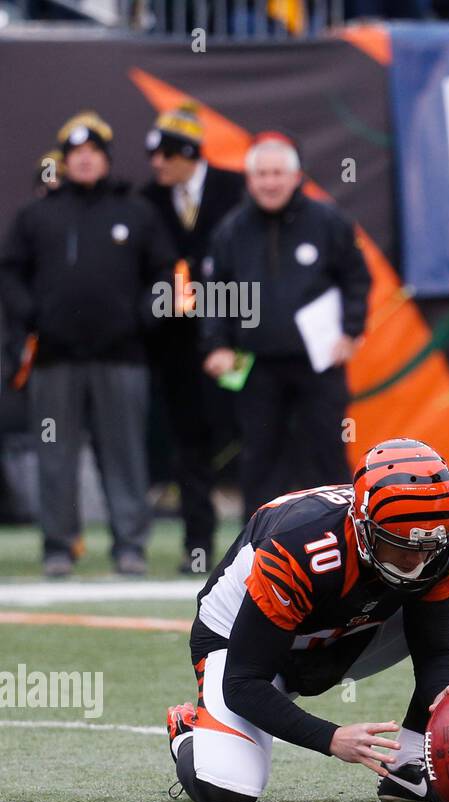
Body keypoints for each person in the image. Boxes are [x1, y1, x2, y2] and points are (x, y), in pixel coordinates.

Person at [165, 438, 449, 802]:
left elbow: (435, 644)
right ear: (363, 528)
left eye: (428, 546)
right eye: (402, 547)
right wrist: (331, 737)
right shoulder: (298, 549)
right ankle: (188, 730)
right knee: (226, 789)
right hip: (243, 646)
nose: (417, 561)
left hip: (348, 627)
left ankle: (408, 766)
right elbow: (244, 683)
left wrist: (447, 690)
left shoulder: (442, 542)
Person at [0, 111, 177, 577]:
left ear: (106, 159)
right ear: (64, 160)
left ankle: (130, 546)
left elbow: (164, 272)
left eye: (93, 154)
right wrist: (30, 317)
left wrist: (141, 318)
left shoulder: (135, 212)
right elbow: (11, 272)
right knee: (55, 456)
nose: (84, 162)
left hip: (122, 357)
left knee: (124, 455)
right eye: (76, 155)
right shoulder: (38, 213)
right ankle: (58, 547)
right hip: (54, 359)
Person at [200, 132, 371, 519]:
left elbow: (356, 279)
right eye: (262, 174)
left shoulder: (329, 222)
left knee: (327, 451)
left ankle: (347, 536)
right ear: (250, 179)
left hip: (319, 362)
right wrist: (216, 344)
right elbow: (215, 293)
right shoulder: (232, 230)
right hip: (256, 363)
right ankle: (257, 550)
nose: (270, 182)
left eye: (278, 173)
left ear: (296, 177)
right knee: (260, 455)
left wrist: (351, 329)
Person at [139, 102, 247, 574]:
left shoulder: (235, 189)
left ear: (188, 152)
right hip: (176, 346)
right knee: (189, 449)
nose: (156, 164)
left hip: (233, 340)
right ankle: (197, 546)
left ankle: (259, 548)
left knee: (249, 443)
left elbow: (250, 266)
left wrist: (224, 317)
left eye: (164, 154)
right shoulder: (149, 199)